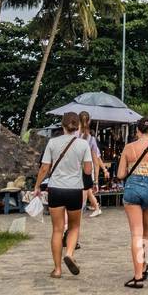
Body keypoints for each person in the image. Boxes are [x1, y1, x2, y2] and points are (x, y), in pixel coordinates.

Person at [35, 112, 93, 278]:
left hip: (56, 190)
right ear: (77, 127)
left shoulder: (52, 143)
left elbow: (45, 168)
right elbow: (88, 170)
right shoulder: (83, 144)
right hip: (75, 190)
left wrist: (37, 186)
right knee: (74, 226)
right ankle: (69, 253)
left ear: (62, 125)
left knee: (57, 230)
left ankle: (57, 269)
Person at [118, 116, 148, 289]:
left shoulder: (128, 148)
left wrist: (135, 168)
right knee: (147, 234)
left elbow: (120, 175)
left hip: (132, 190)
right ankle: (145, 266)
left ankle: (137, 276)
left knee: (135, 235)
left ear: (137, 131)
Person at [78, 111, 107, 217]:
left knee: (83, 193)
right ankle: (95, 208)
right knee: (86, 192)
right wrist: (96, 181)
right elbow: (96, 160)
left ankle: (94, 208)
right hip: (87, 170)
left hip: (74, 169)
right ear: (89, 121)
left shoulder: (72, 136)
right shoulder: (91, 139)